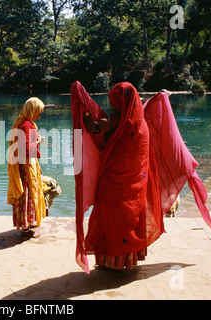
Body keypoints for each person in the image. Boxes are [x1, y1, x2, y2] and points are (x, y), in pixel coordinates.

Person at [71, 82, 164, 272]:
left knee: (110, 217)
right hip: (136, 184)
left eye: (114, 99)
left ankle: (109, 261)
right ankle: (127, 260)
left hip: (113, 182)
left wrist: (85, 111)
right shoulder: (142, 123)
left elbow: (94, 129)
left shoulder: (118, 120)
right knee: (129, 218)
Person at [7, 97, 46, 239]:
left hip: (25, 165)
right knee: (27, 196)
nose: (39, 116)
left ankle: (27, 223)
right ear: (32, 110)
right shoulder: (26, 125)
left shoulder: (25, 123)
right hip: (25, 169)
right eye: (38, 112)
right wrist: (38, 141)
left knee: (28, 195)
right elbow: (26, 150)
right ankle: (25, 229)